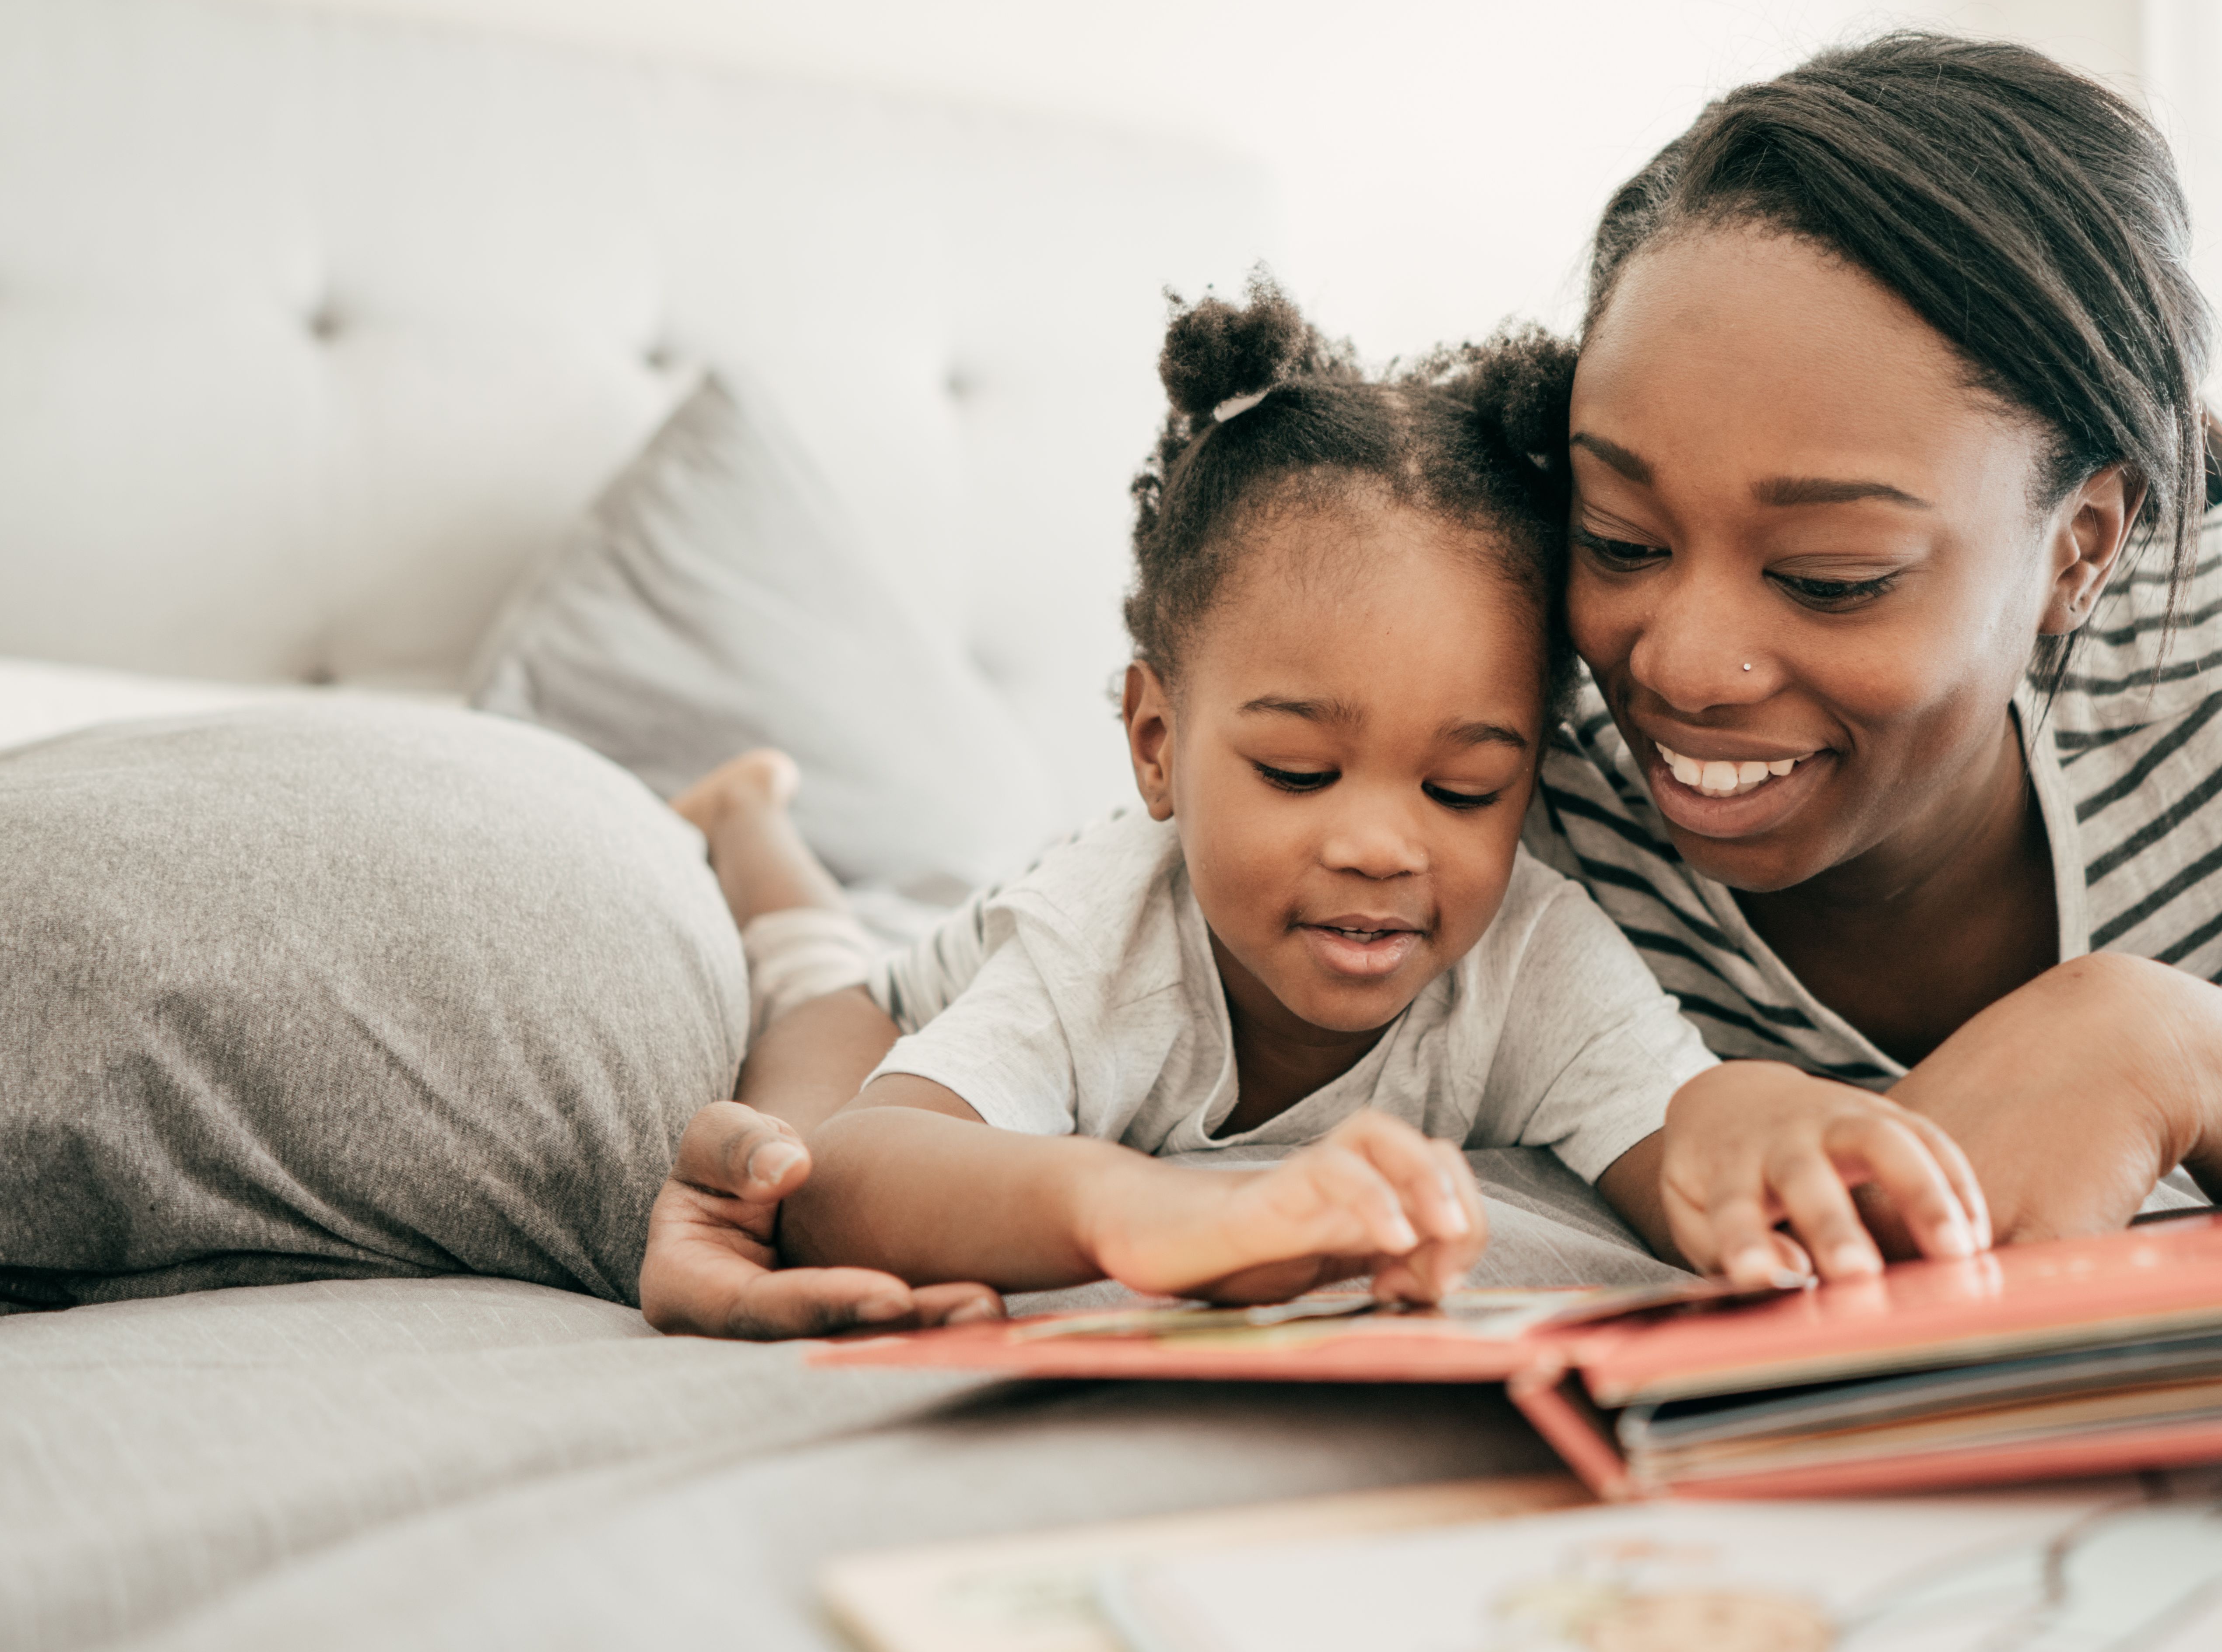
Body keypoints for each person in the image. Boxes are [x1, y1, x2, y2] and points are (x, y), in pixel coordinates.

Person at [643, 32, 2222, 1339]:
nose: (1679, 665)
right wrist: (788, 1163)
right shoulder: (1482, 744)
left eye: (1829, 573)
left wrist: (2180, 1047)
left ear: (2084, 545)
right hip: (952, 947)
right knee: (835, 932)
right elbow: (1038, 998)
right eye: (1619, 532)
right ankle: (753, 828)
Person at [656, 281, 1987, 1329]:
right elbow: (864, 1169)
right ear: (1158, 745)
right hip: (910, 994)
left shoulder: (1535, 957)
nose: (1378, 847)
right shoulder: (1099, 944)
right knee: (815, 999)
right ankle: (750, 819)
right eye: (1298, 773)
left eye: (1464, 789)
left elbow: (1672, 1123)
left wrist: (1757, 1121)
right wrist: (1139, 1211)